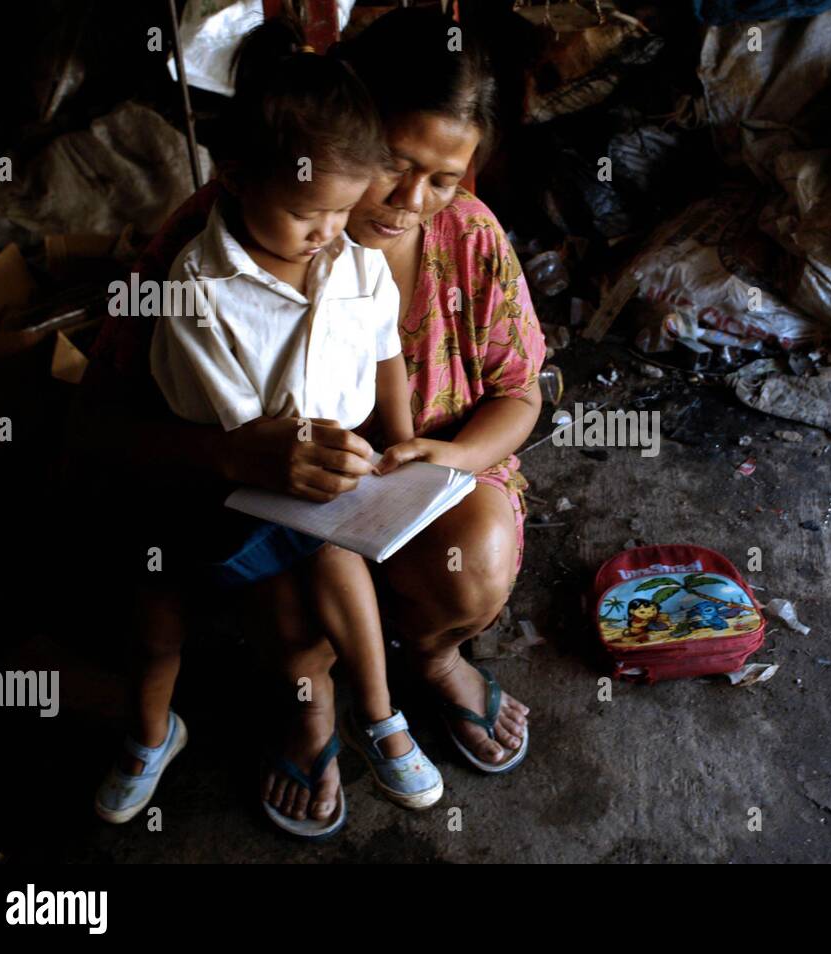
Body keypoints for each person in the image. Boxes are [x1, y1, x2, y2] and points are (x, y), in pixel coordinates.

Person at [76, 8, 543, 836]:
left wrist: (444, 453)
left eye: (443, 177)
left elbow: (521, 391)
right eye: (394, 165)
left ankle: (433, 657)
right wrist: (228, 456)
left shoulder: (467, 237)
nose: (410, 201)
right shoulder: (214, 239)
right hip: (265, 497)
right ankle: (315, 710)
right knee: (290, 605)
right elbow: (100, 419)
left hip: (403, 481)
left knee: (477, 565)